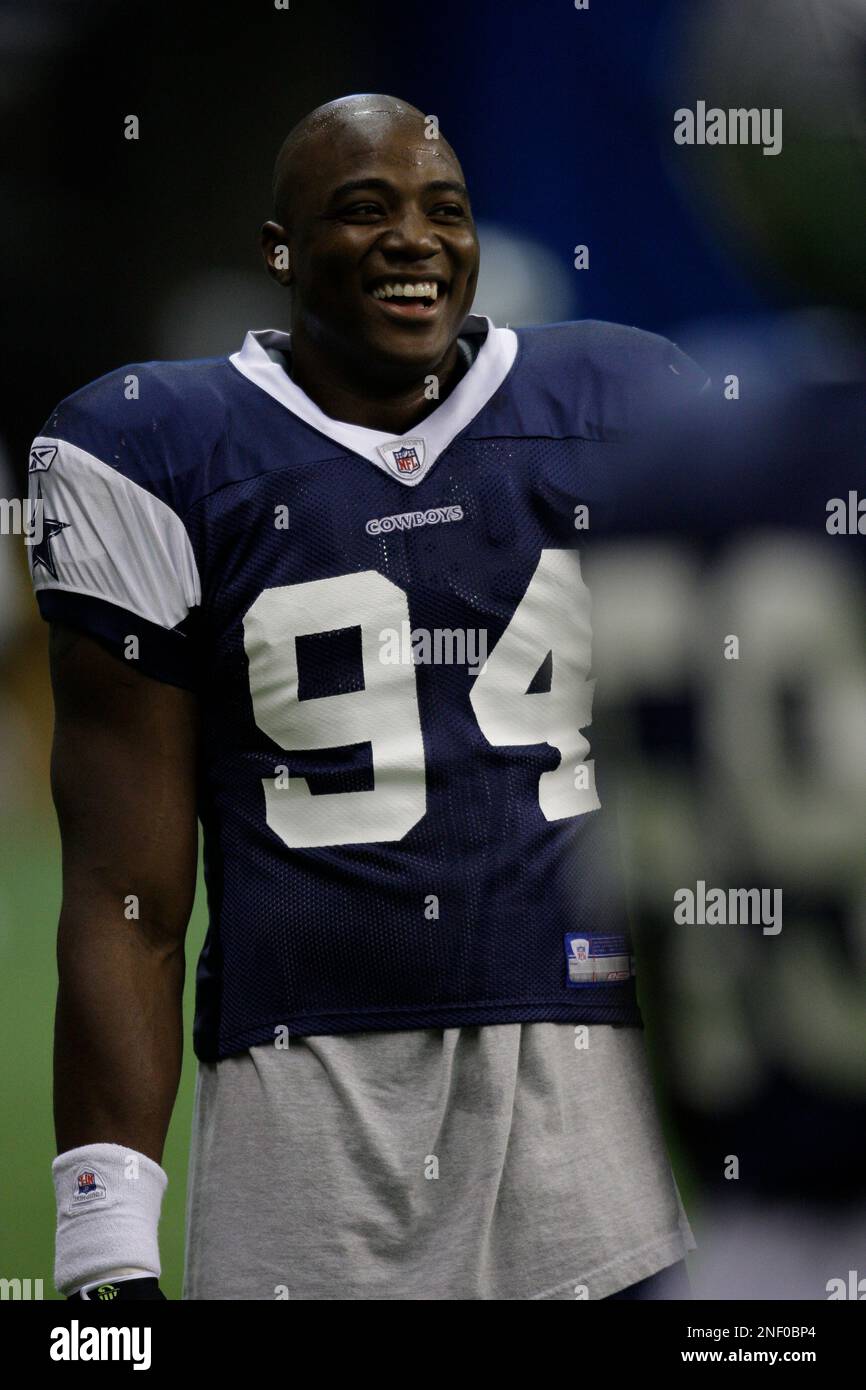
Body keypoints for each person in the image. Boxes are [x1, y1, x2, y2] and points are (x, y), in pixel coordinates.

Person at [32, 94, 701, 1300]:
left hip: (580, 1124)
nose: (413, 237)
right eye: (362, 209)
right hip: (308, 1128)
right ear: (279, 250)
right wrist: (101, 1244)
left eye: (443, 209)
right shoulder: (157, 452)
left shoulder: (613, 408)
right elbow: (128, 898)